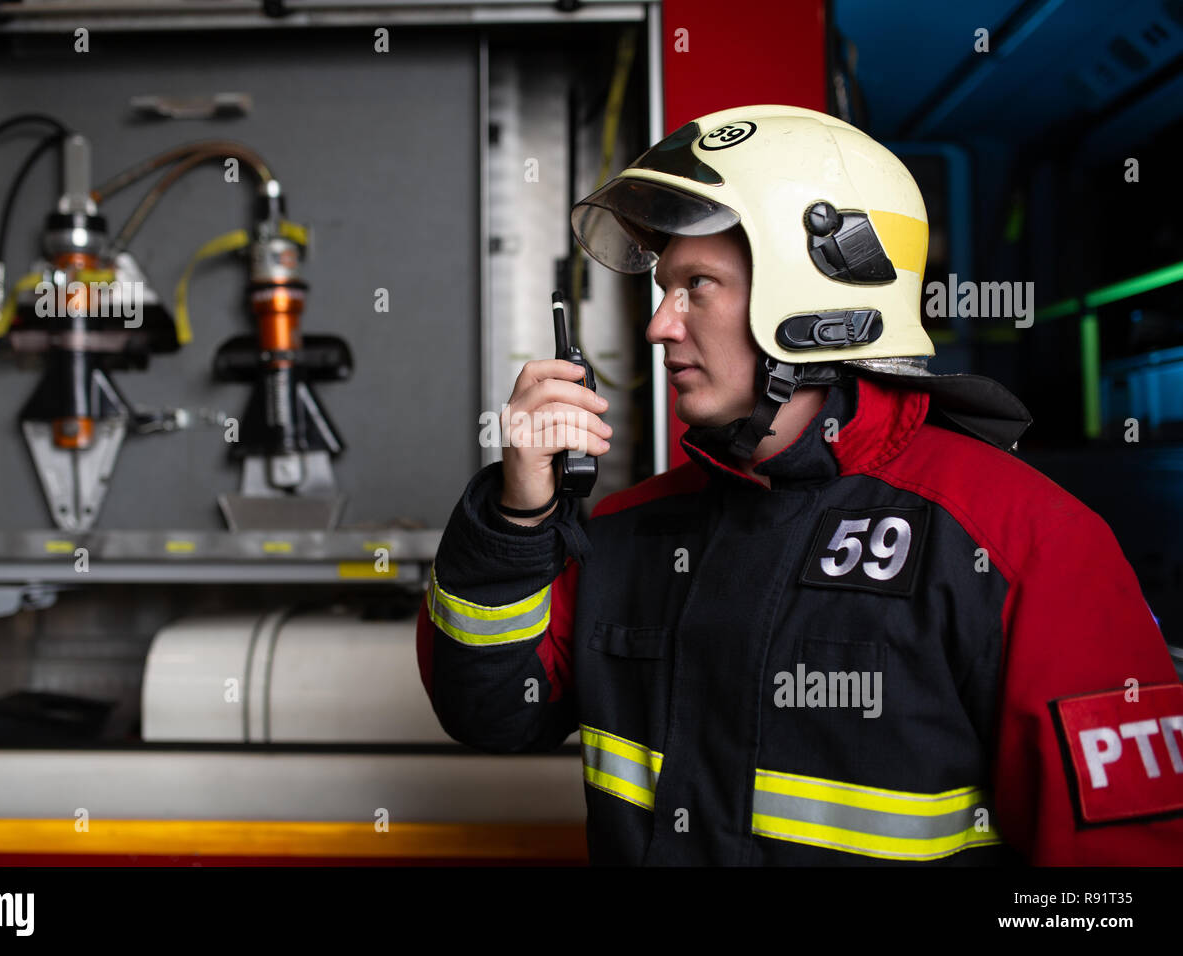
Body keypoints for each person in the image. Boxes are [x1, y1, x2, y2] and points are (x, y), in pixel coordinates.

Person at [415, 104, 1183, 865]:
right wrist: (518, 515)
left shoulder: (1025, 543)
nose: (658, 327)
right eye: (663, 289)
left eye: (697, 285)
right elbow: (493, 716)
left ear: (819, 303)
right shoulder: (629, 531)